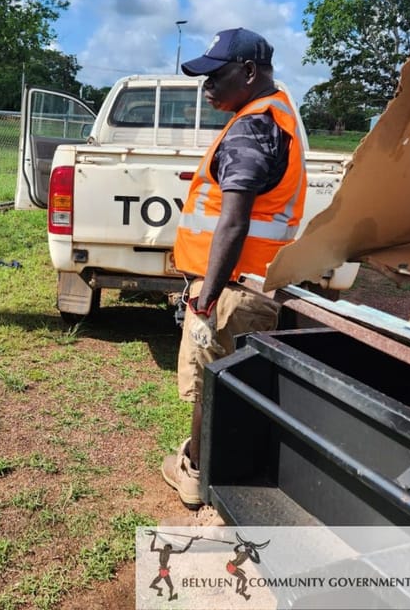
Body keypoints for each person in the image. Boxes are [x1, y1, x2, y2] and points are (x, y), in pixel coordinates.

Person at [161, 28, 307, 508]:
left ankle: (198, 474)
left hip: (231, 287)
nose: (206, 88)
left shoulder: (250, 128)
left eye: (215, 76)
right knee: (235, 385)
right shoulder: (278, 113)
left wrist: (205, 298)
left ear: (248, 71)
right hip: (257, 282)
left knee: (210, 387)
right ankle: (221, 467)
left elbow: (234, 220)